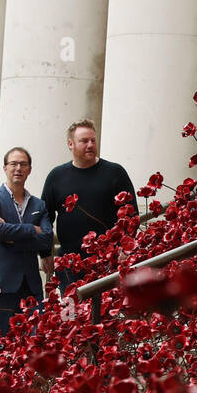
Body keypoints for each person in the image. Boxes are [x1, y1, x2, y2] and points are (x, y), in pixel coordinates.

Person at [40, 118, 136, 305]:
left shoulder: (115, 172)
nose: (90, 145)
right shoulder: (56, 176)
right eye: (84, 141)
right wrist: (44, 252)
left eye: (93, 140)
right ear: (71, 144)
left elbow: (131, 212)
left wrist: (126, 246)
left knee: (107, 314)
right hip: (69, 262)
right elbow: (45, 216)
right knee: (73, 316)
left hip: (108, 258)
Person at [0, 147, 52, 350]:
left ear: (29, 170)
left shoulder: (39, 205)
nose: (18, 168)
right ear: (5, 168)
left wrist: (12, 234)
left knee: (35, 349)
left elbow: (46, 240)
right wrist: (31, 230)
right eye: (13, 164)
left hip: (30, 288)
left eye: (23, 164)